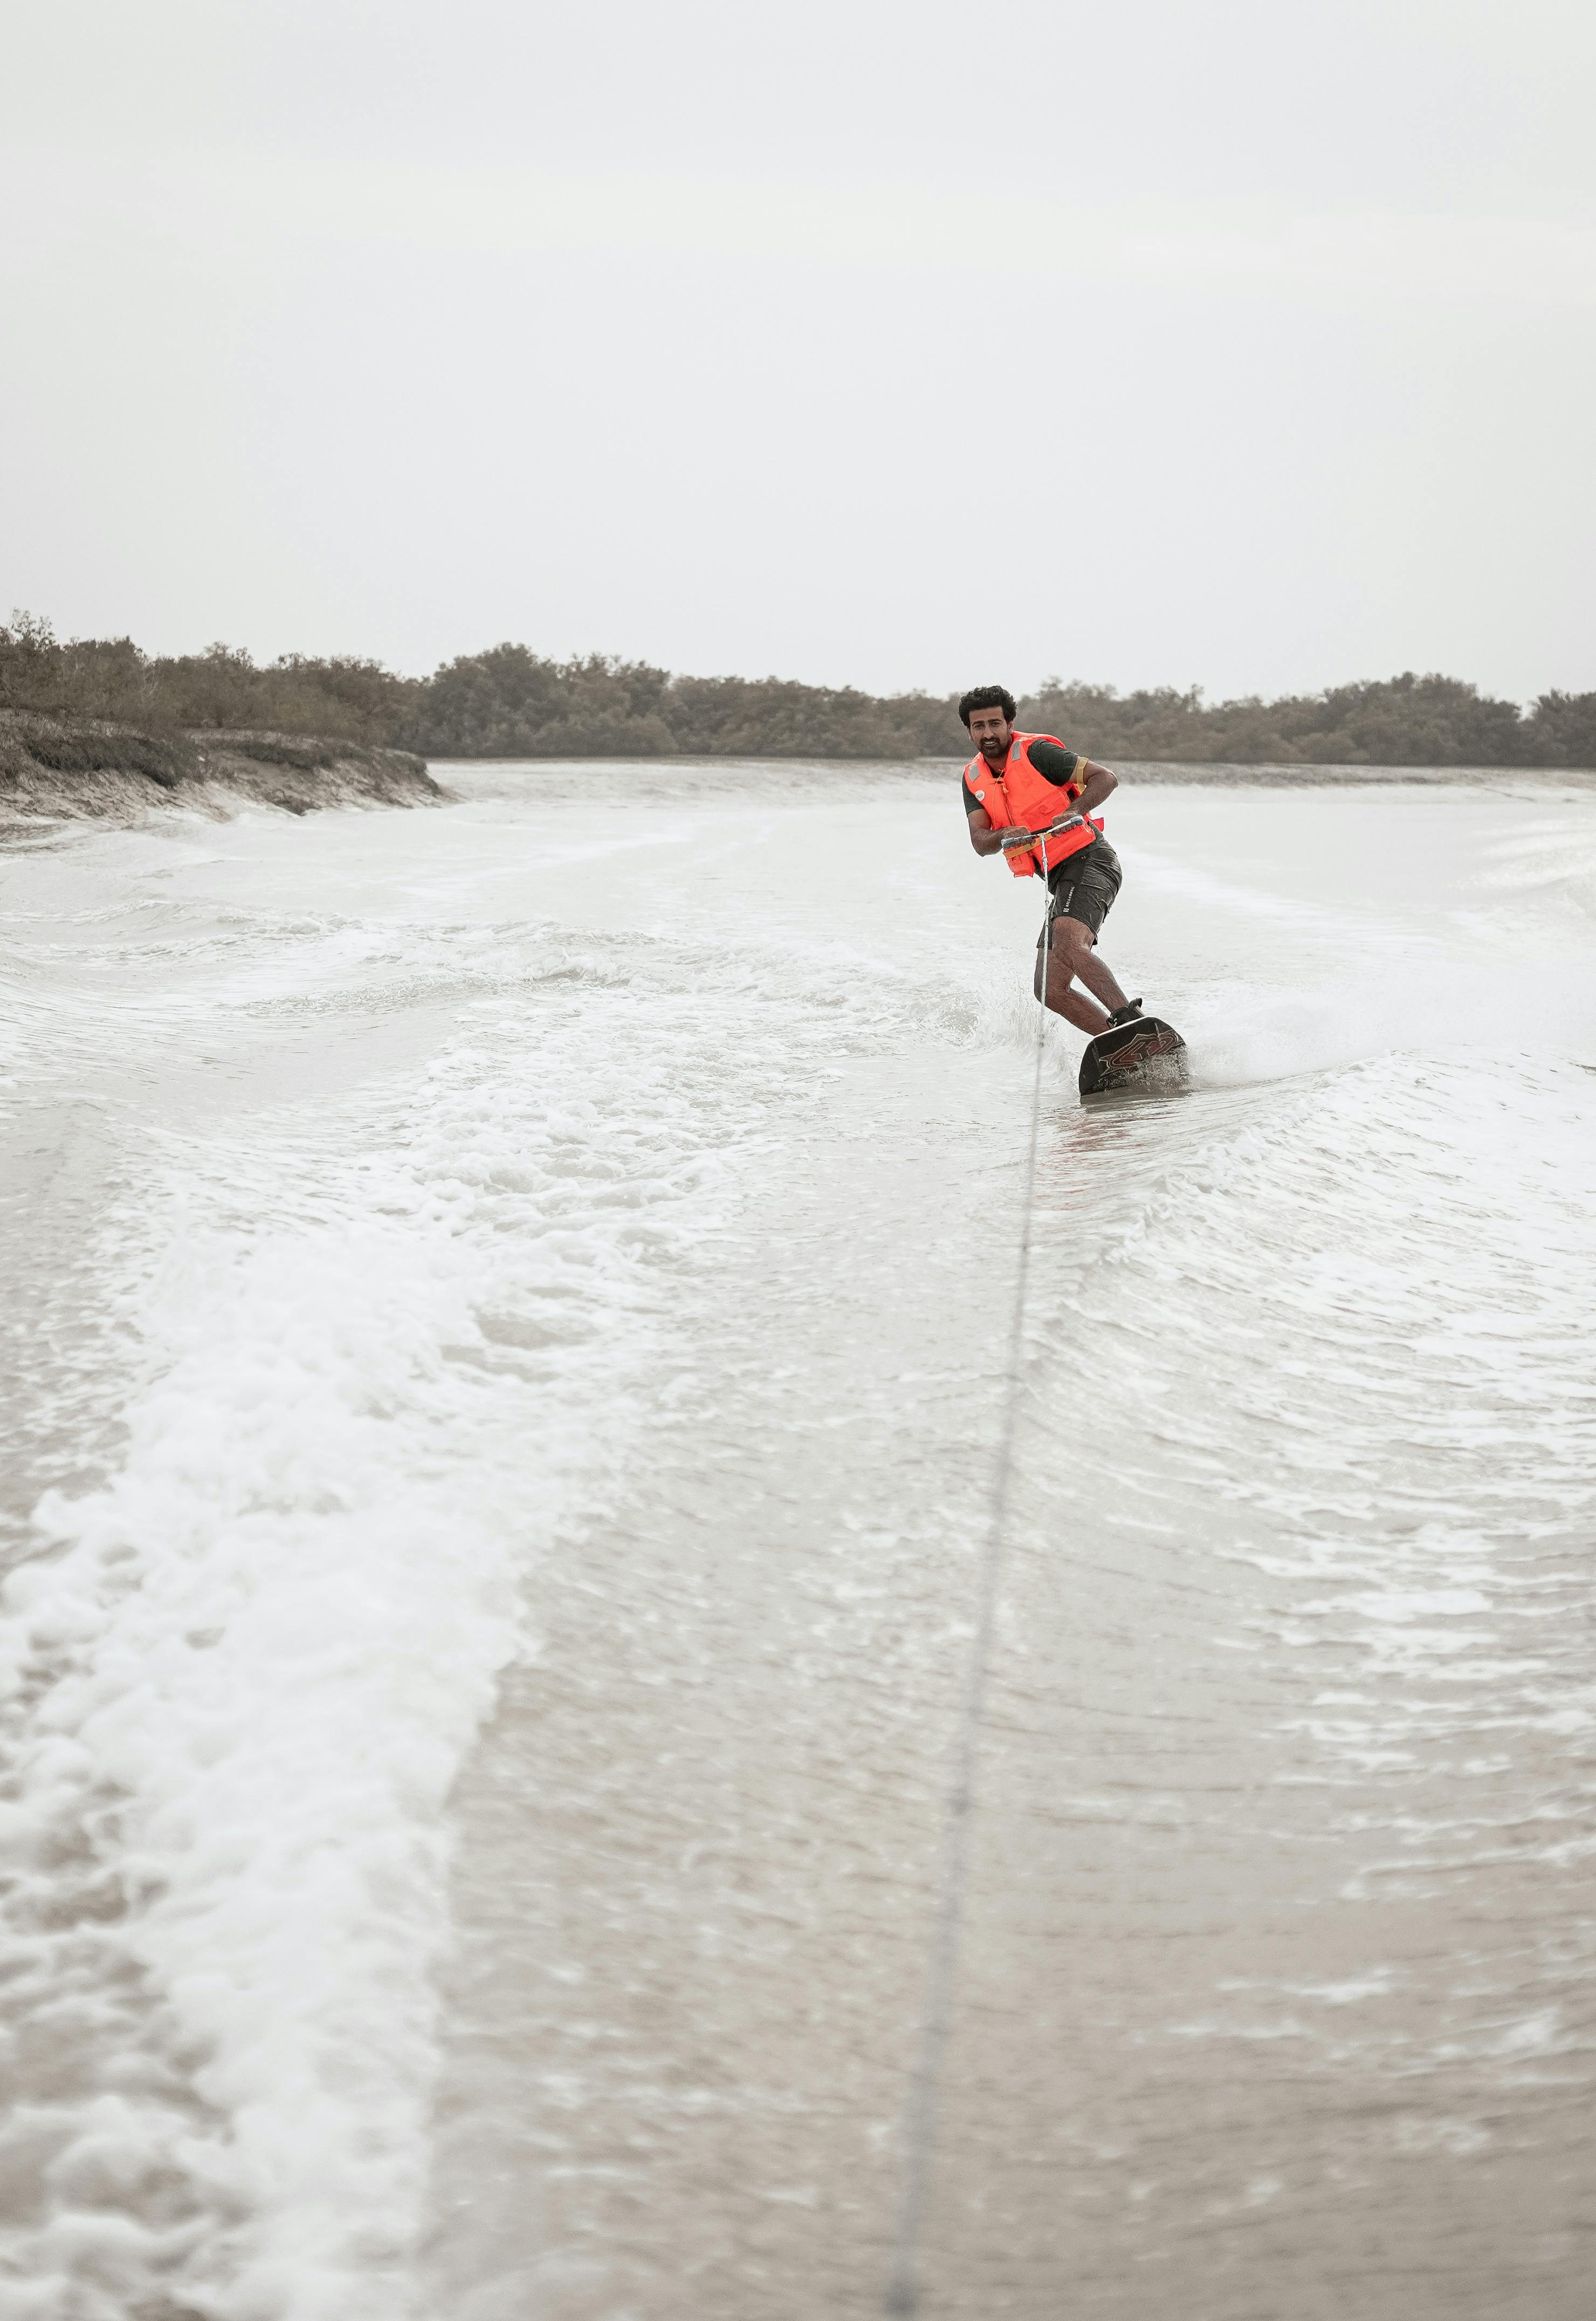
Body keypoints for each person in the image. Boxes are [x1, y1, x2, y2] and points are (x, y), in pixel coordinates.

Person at [959, 683, 1147, 1037]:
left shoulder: (1038, 753)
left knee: (1066, 942)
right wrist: (1002, 835)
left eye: (995, 724)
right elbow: (981, 843)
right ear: (969, 731)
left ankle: (1133, 1023)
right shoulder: (973, 780)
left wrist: (1076, 810)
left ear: (1009, 723)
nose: (988, 733)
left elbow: (1105, 778)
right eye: (979, 726)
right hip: (1058, 877)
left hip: (1091, 859)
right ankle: (1120, 1045)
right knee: (1048, 988)